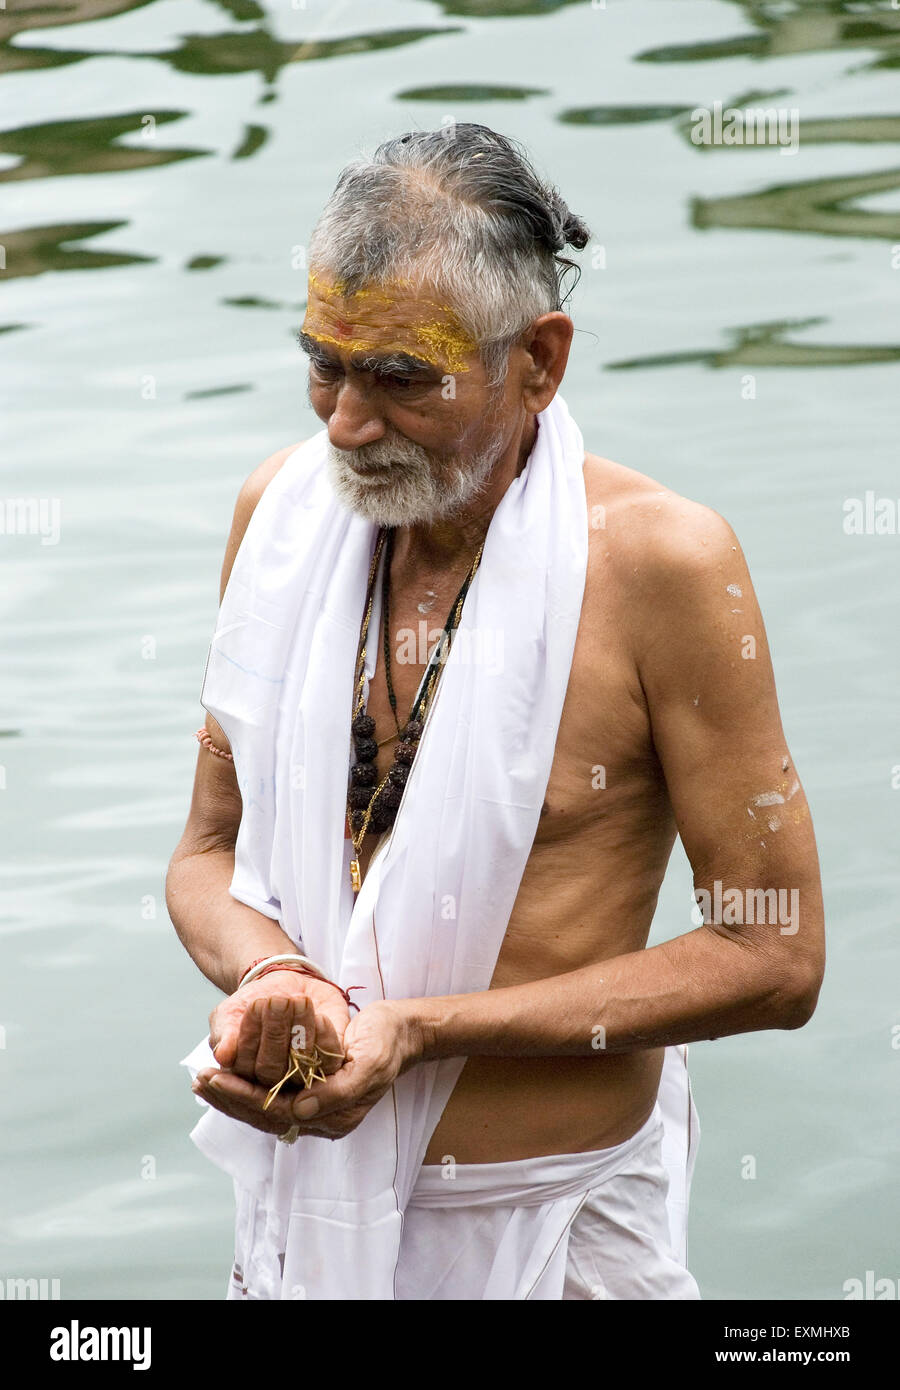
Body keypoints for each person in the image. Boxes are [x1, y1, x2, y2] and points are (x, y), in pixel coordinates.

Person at [166, 124, 825, 1301]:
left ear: (539, 361)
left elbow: (774, 957)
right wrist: (273, 973)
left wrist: (421, 1030)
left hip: (551, 1227)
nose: (345, 424)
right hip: (295, 1223)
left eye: (400, 378)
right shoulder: (279, 514)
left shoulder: (664, 567)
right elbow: (206, 854)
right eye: (325, 365)